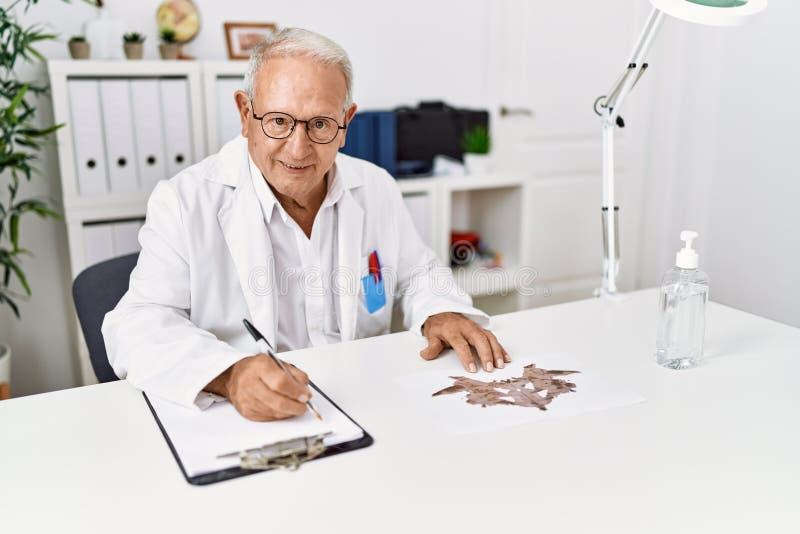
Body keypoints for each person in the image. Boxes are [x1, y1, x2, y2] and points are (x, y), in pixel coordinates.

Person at [102, 28, 509, 422]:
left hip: (368, 401)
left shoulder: (376, 187)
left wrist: (439, 311)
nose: (298, 149)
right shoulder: (184, 200)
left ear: (345, 123)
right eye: (278, 121)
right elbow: (136, 325)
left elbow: (418, 272)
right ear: (246, 114)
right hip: (246, 419)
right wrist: (228, 375)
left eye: (319, 124)